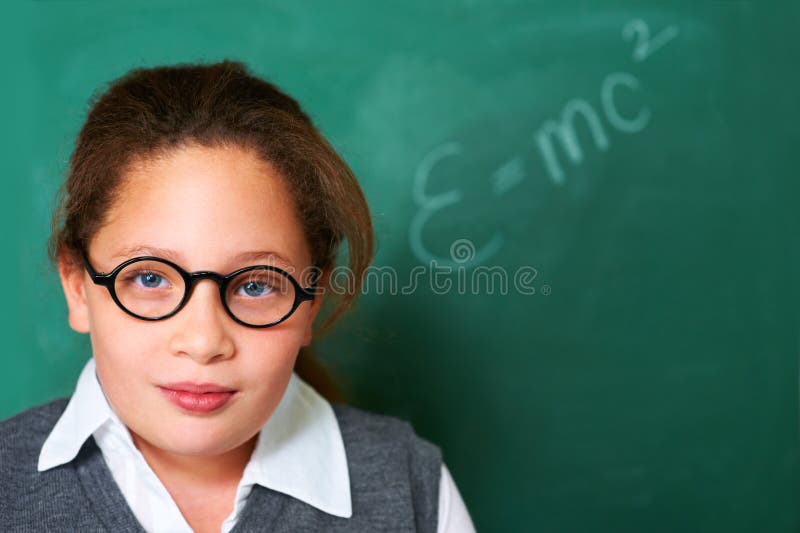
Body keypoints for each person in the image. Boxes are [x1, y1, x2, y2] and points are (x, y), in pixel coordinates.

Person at [0, 60, 476, 532]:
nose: (204, 342)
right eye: (149, 279)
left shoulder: (414, 490)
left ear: (312, 299)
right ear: (78, 286)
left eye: (255, 285)